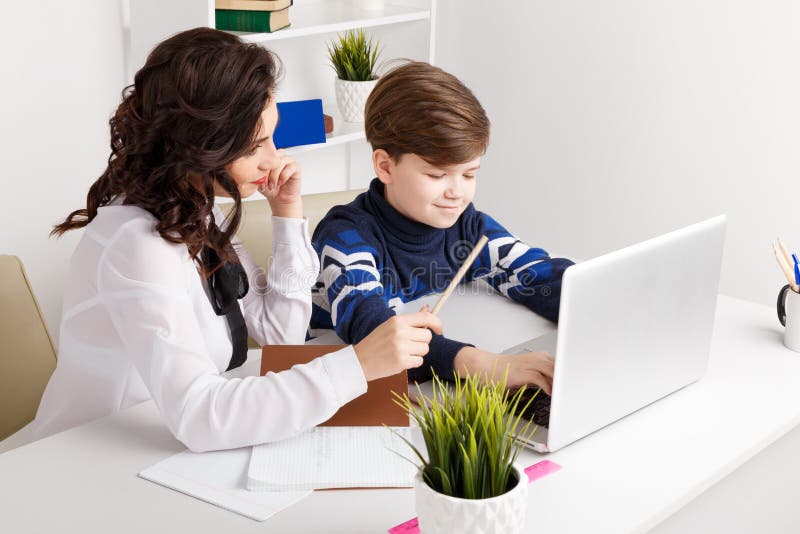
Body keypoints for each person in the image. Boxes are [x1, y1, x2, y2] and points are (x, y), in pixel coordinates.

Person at [31, 28, 441, 452]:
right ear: (200, 145)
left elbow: (281, 336)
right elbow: (199, 416)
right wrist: (359, 365)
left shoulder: (193, 210)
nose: (274, 158)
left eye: (272, 137)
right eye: (254, 145)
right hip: (83, 460)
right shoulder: (136, 243)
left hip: (155, 450)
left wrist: (286, 213)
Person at [310, 62, 574, 394]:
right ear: (385, 166)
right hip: (340, 388)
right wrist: (484, 365)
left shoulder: (466, 226)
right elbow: (377, 334)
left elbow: (534, 274)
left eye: (469, 174)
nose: (457, 192)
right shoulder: (346, 235)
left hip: (427, 381)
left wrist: (592, 298)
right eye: (437, 175)